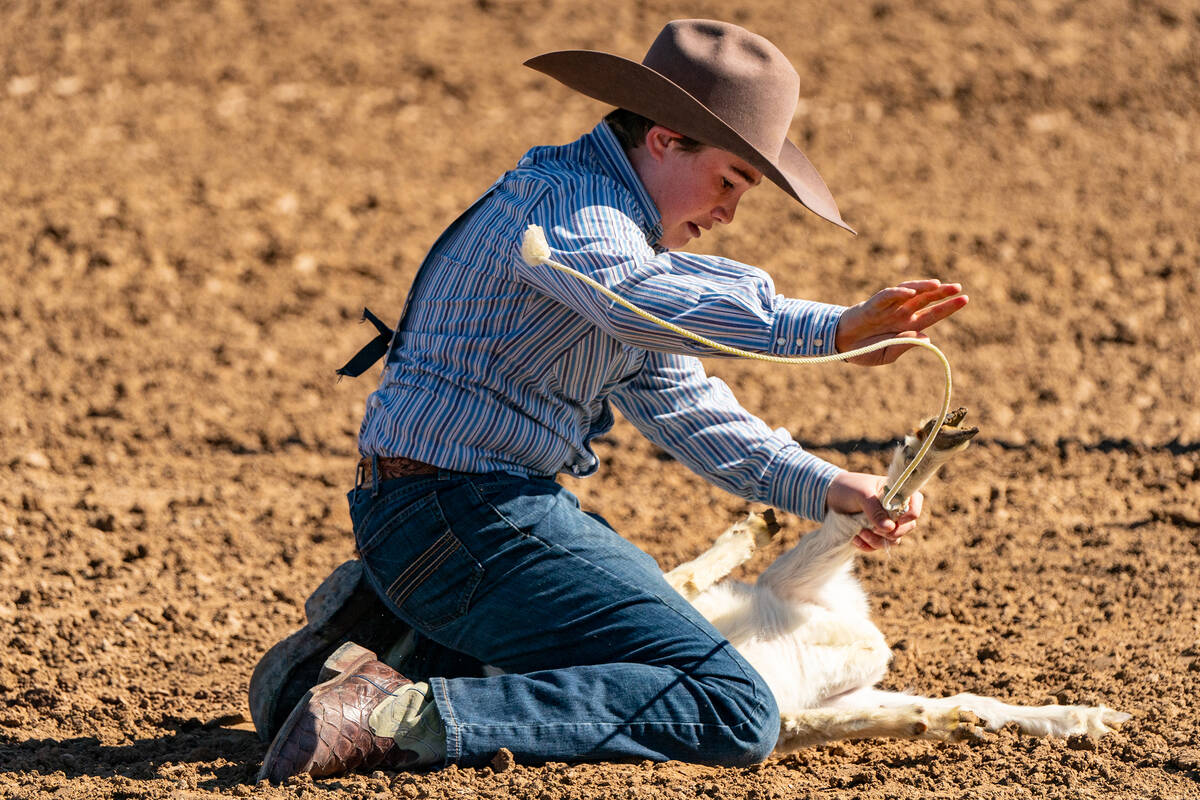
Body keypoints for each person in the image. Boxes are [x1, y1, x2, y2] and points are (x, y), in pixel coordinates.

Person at [254, 18, 968, 780]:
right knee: (733, 704)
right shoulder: (576, 209)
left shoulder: (603, 224)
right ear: (665, 139)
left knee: (665, 671)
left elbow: (687, 406)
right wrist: (831, 330)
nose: (730, 213)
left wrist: (827, 484)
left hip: (442, 518)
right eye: (729, 180)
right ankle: (407, 715)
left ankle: (379, 651)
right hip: (466, 515)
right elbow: (640, 303)